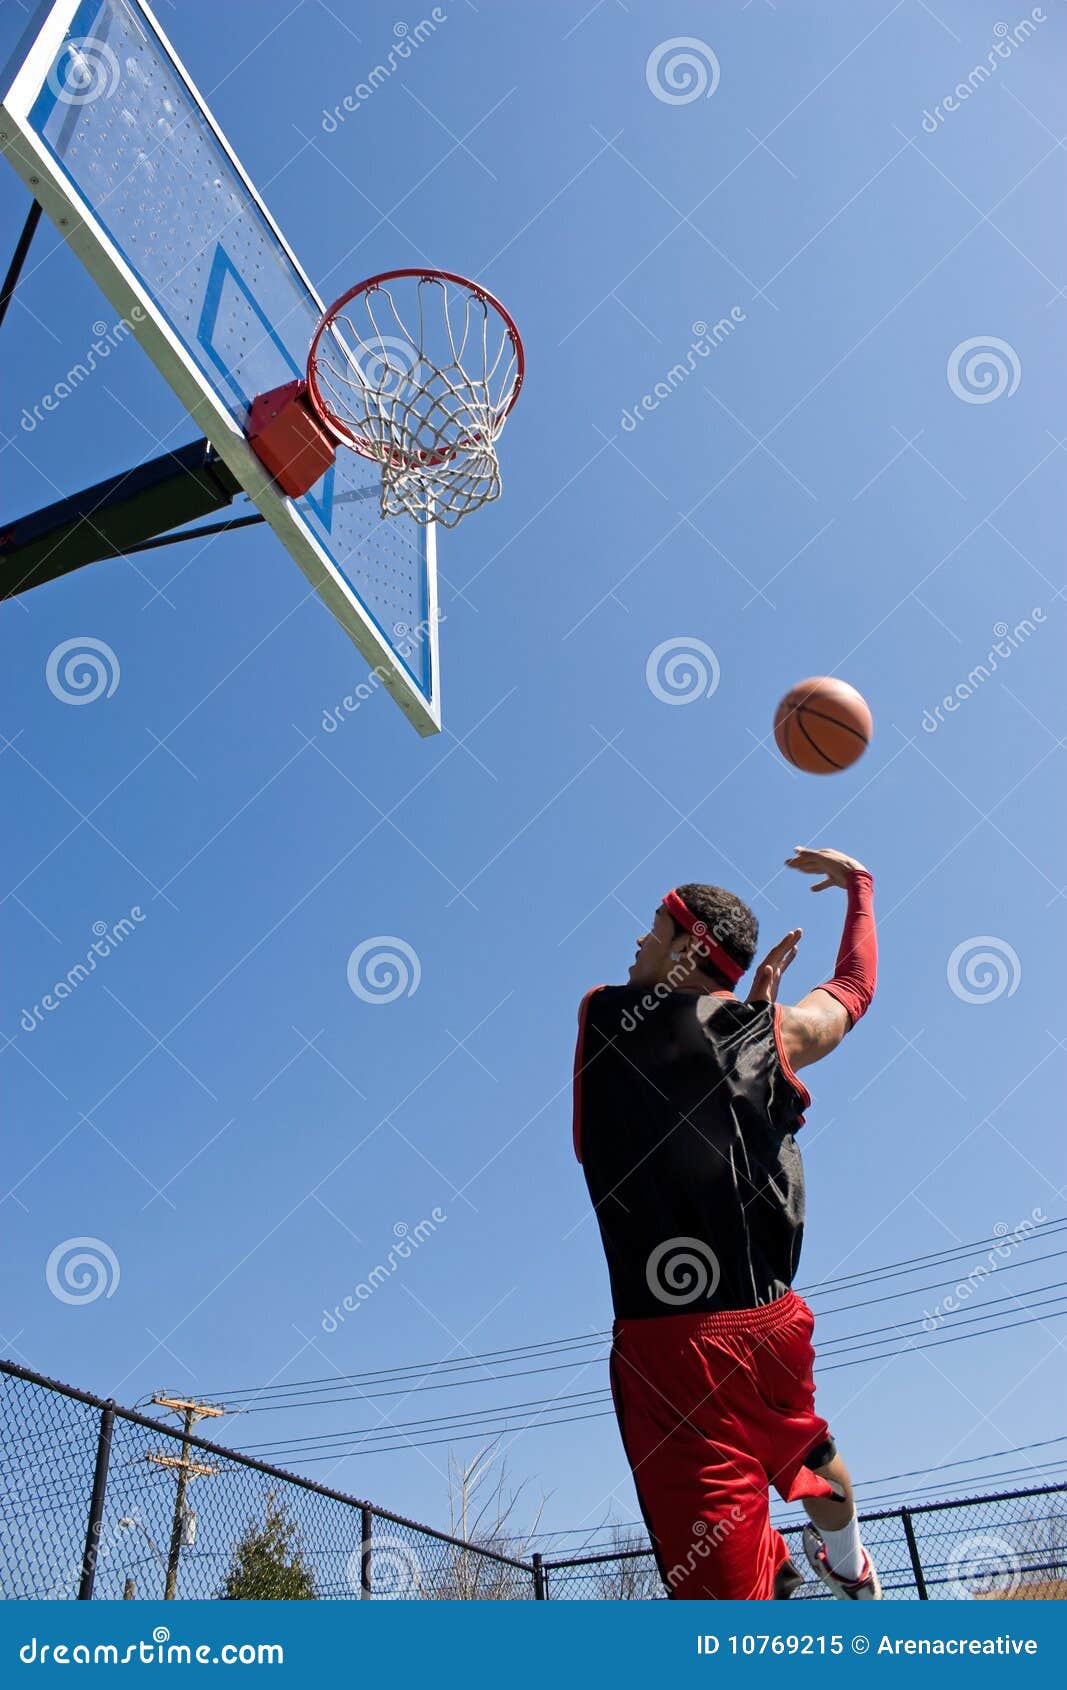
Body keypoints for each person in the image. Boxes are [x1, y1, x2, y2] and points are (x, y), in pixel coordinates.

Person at [573, 846, 880, 1600]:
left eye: (652, 929)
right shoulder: (764, 1036)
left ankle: (791, 1570)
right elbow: (851, 991)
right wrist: (859, 893)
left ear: (687, 949)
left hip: (670, 1346)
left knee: (719, 1603)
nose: (636, 942)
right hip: (767, 1320)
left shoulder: (604, 1015)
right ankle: (845, 1560)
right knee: (807, 1452)